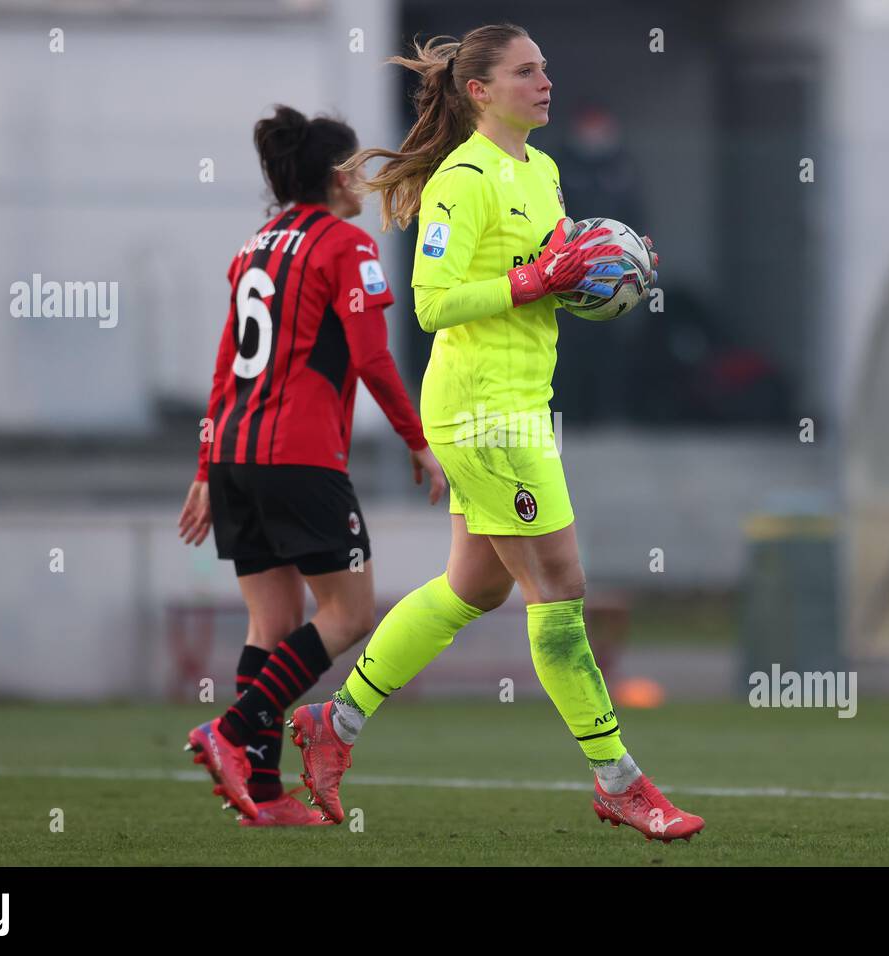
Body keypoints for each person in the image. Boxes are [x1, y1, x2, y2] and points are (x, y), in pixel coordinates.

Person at [287, 23, 704, 843]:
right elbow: (434, 300)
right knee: (560, 587)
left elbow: (549, 271)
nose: (545, 81)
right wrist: (535, 277)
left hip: (522, 402)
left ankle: (330, 726)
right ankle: (619, 780)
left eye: (546, 67)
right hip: (480, 409)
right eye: (526, 71)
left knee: (477, 586)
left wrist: (606, 265)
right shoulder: (461, 178)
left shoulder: (543, 170)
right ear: (480, 90)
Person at [178, 105, 446, 826]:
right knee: (350, 612)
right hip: (298, 455)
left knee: (273, 622)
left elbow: (225, 365)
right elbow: (370, 356)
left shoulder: (253, 247)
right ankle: (232, 733)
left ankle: (261, 796)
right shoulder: (344, 244)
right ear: (335, 176)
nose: (366, 175)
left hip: (236, 452)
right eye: (357, 164)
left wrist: (207, 467)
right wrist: (418, 439)